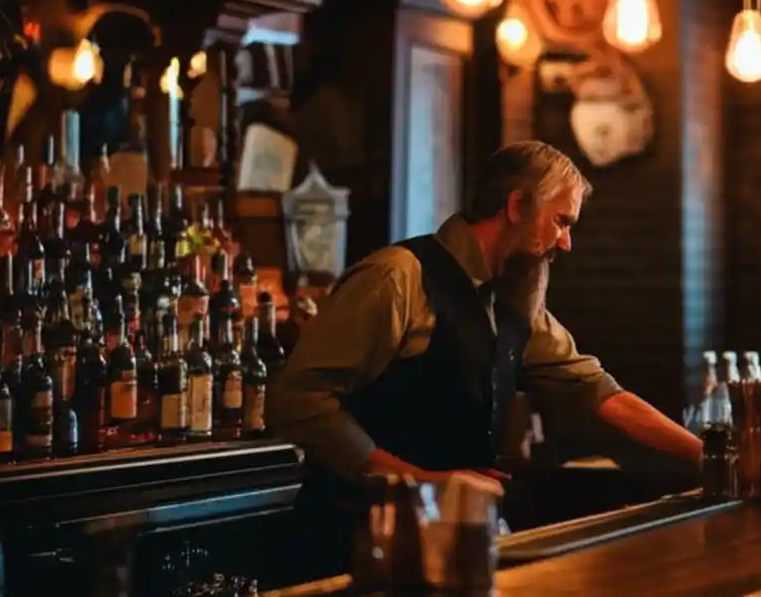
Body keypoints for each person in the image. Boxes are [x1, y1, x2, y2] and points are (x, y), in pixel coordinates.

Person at [269, 141, 702, 581]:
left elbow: (595, 389)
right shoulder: (398, 276)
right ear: (517, 206)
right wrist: (421, 481)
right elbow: (298, 400)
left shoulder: (514, 300)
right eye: (561, 221)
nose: (567, 243)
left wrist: (707, 456)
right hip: (357, 541)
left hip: (447, 539)